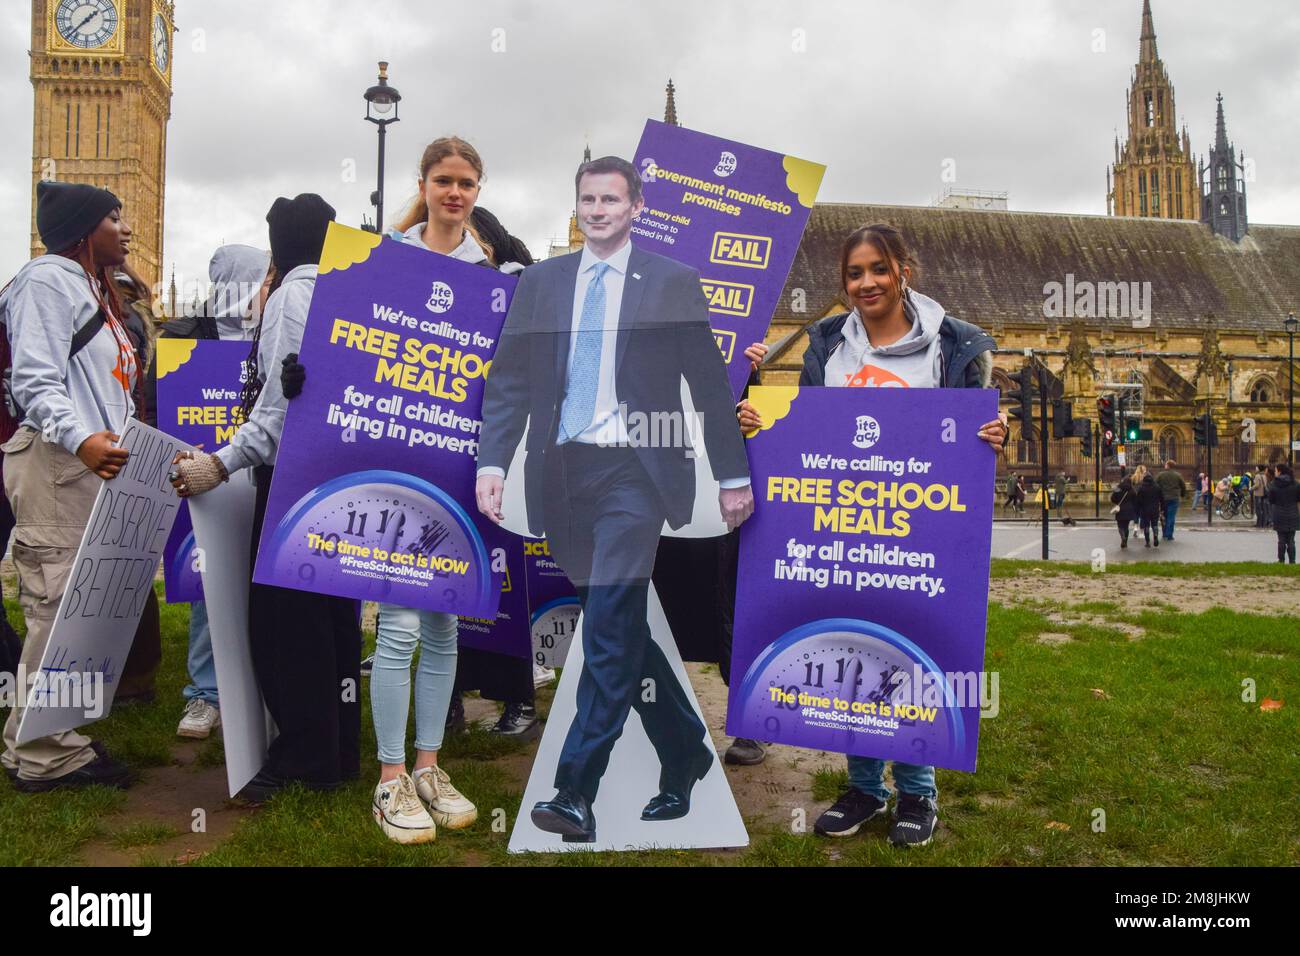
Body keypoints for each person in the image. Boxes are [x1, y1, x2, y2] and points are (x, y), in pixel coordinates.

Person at [476, 155, 753, 843]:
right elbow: (509, 380)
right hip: (561, 477)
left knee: (603, 626)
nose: (599, 210)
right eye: (588, 199)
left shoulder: (671, 282)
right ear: (579, 206)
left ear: (636, 208)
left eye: (612, 199)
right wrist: (492, 461)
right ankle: (685, 748)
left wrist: (732, 473)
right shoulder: (542, 283)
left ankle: (573, 790)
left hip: (638, 474)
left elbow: (708, 383)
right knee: (616, 620)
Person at [738, 222, 1007, 848]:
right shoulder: (828, 345)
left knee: (907, 643)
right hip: (842, 522)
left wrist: (995, 437)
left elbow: (975, 431)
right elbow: (805, 429)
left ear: (902, 271)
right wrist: (763, 420)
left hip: (919, 523)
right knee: (851, 646)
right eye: (855, 273)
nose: (866, 283)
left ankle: (917, 794)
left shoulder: (954, 345)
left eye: (878, 270)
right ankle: (863, 787)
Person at [170, 194, 361, 804]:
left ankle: (300, 759)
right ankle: (335, 753)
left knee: (285, 628)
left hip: (292, 482)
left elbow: (278, 413)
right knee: (332, 625)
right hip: (338, 479)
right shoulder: (342, 287)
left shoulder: (290, 296)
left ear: (282, 243)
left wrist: (218, 464)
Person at [0, 181, 139, 792]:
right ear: (85, 231)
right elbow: (35, 380)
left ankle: (38, 741)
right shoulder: (46, 279)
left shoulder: (85, 286)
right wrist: (82, 437)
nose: (125, 229)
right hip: (58, 463)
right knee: (56, 608)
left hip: (86, 464)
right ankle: (44, 756)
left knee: (76, 606)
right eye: (114, 218)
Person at [149, 244, 272, 739]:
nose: (268, 288)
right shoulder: (182, 340)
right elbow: (158, 413)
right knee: (206, 584)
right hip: (203, 480)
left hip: (261, 475)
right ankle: (204, 695)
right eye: (262, 279)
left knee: (264, 586)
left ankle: (264, 691)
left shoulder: (275, 331)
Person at [1266, 463, 1298, 563]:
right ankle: (1292, 561)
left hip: (1279, 515)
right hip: (1293, 514)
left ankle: (1281, 560)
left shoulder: (1274, 484)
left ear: (1279, 471)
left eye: (1275, 471)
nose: (1274, 473)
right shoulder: (1295, 483)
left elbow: (1271, 500)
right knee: (1291, 541)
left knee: (1281, 540)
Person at [1155, 459, 1186, 541]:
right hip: (1174, 498)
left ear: (1167, 465)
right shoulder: (1178, 475)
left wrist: (1157, 496)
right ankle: (1169, 534)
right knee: (1171, 516)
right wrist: (1182, 494)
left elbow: (1155, 485)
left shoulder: (1160, 475)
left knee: (1163, 516)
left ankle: (1164, 533)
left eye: (1165, 464)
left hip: (1163, 498)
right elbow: (1183, 486)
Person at [1134, 465, 1164, 547]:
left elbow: (1138, 501)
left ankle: (1147, 542)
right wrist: (1162, 509)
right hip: (1155, 509)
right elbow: (1162, 499)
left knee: (1146, 525)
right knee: (1155, 524)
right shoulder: (1157, 487)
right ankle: (1155, 536)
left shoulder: (1141, 488)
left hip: (1145, 510)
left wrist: (1137, 509)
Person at [1111, 473, 1138, 549]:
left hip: (1120, 509)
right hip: (1129, 510)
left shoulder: (1118, 488)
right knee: (1126, 526)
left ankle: (1122, 537)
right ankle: (1125, 542)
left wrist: (1117, 502)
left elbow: (1112, 498)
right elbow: (1135, 501)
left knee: (1120, 526)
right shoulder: (1132, 490)